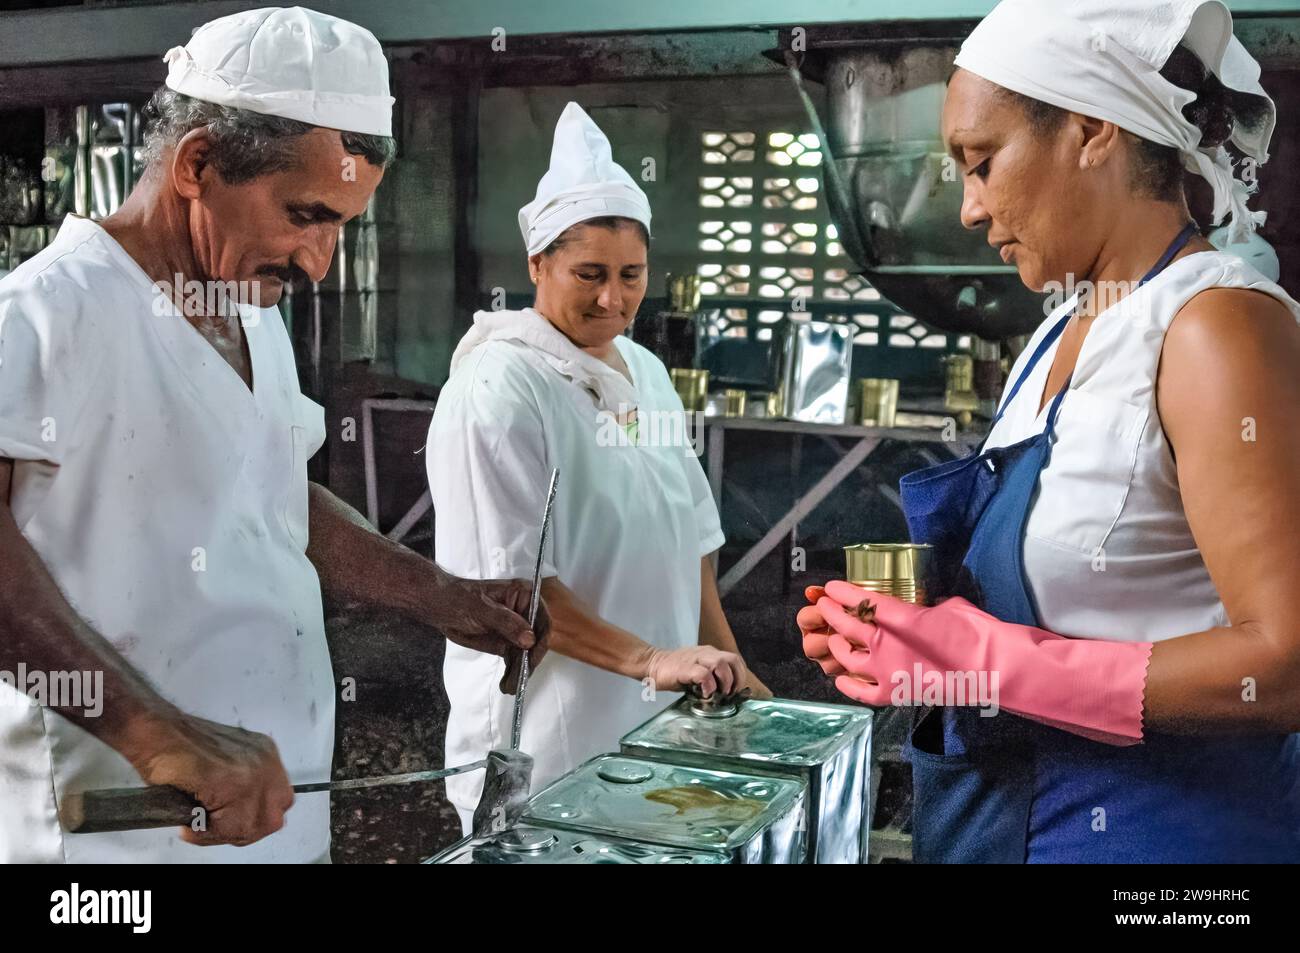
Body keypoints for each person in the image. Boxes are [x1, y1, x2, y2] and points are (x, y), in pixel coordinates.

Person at [0, 6, 544, 863]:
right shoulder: (43, 314)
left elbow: (273, 495)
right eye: (305, 214)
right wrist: (155, 733)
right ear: (197, 162)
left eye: (340, 225)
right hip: (121, 834)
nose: (320, 261)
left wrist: (435, 593)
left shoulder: (250, 315)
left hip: (274, 818)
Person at [801, 0, 1300, 862]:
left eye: (982, 162)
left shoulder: (1214, 328)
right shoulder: (1060, 331)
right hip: (1000, 828)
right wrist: (909, 637)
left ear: (1091, 129)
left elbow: (1284, 662)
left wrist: (998, 663)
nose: (967, 208)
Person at [428, 102, 771, 832]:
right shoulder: (500, 386)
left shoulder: (645, 371)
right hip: (547, 746)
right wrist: (652, 658)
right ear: (536, 264)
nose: (613, 299)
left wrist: (730, 670)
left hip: (656, 734)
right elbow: (510, 594)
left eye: (631, 275)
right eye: (589, 273)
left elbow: (692, 548)